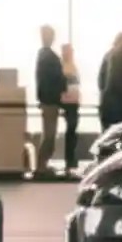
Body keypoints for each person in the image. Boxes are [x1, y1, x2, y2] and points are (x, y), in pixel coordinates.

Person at [34, 25, 66, 177]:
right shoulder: (49, 57)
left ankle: (42, 165)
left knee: (48, 134)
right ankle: (41, 166)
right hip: (50, 101)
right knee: (49, 135)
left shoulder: (43, 55)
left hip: (47, 100)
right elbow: (54, 79)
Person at [59, 43, 81, 175]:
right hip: (68, 103)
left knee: (72, 132)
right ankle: (70, 160)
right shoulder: (64, 67)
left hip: (74, 102)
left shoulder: (72, 66)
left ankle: (71, 160)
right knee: (71, 131)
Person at [97, 33, 122, 130]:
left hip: (106, 103)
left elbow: (100, 81)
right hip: (116, 105)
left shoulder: (107, 56)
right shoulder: (118, 57)